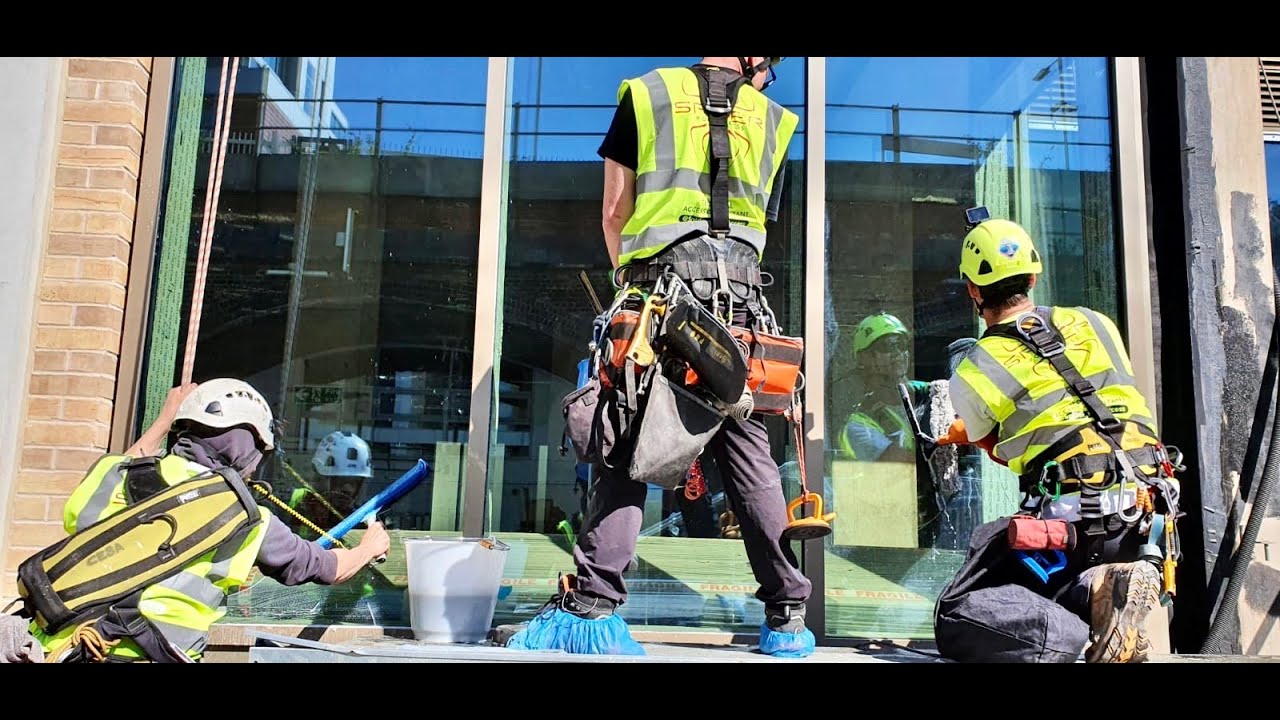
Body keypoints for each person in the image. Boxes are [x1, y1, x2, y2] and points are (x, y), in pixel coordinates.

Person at [504, 56, 813, 657]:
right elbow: (755, 225)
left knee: (630, 446)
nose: (768, 78)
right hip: (742, 310)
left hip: (663, 303)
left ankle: (591, 611)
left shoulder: (646, 95)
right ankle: (788, 618)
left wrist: (632, 279)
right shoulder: (773, 120)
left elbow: (616, 211)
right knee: (750, 461)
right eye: (767, 66)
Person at [932, 214, 1181, 664]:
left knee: (959, 612)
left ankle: (1081, 626)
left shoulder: (975, 367)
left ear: (972, 290)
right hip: (1149, 514)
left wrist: (962, 437)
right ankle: (1103, 600)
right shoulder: (1096, 321)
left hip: (1074, 529)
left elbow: (999, 449)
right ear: (1033, 276)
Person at [15, 378, 390, 663]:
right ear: (251, 451)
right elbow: (323, 567)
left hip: (59, 648)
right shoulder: (247, 516)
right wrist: (369, 548)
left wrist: (163, 419)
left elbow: (119, 470)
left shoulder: (115, 475)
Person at [286, 430, 375, 539]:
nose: (348, 489)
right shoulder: (290, 503)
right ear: (320, 477)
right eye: (340, 481)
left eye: (355, 482)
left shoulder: (361, 520)